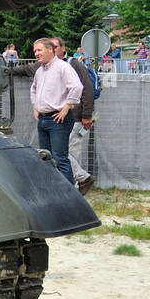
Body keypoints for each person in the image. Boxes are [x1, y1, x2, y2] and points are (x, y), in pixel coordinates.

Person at [28, 37, 83, 185]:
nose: (36, 53)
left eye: (39, 50)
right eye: (34, 51)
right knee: (45, 158)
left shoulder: (63, 67)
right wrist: (35, 106)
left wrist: (66, 107)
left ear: (50, 50)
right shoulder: (40, 71)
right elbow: (33, 89)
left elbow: (77, 87)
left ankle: (68, 194)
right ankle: (51, 190)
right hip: (43, 120)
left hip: (58, 119)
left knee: (60, 158)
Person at [52, 37, 96, 193]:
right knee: (61, 151)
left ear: (63, 48)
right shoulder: (49, 66)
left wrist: (86, 115)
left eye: (55, 47)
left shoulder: (73, 63)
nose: (52, 49)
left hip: (75, 116)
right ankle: (75, 185)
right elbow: (28, 69)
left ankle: (78, 185)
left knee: (70, 152)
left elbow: (87, 89)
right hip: (59, 117)